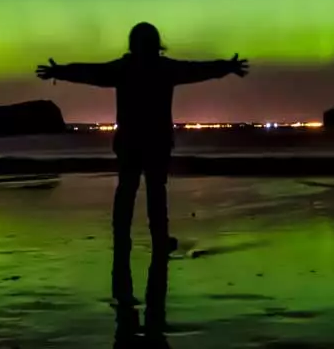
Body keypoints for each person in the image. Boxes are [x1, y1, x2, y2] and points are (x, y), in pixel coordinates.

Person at [36, 22, 248, 252]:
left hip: (129, 140)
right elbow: (197, 70)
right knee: (156, 192)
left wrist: (59, 71)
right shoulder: (164, 68)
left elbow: (92, 72)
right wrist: (228, 66)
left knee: (126, 190)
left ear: (132, 44)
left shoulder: (124, 68)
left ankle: (121, 239)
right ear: (157, 45)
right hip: (157, 141)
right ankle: (159, 240)